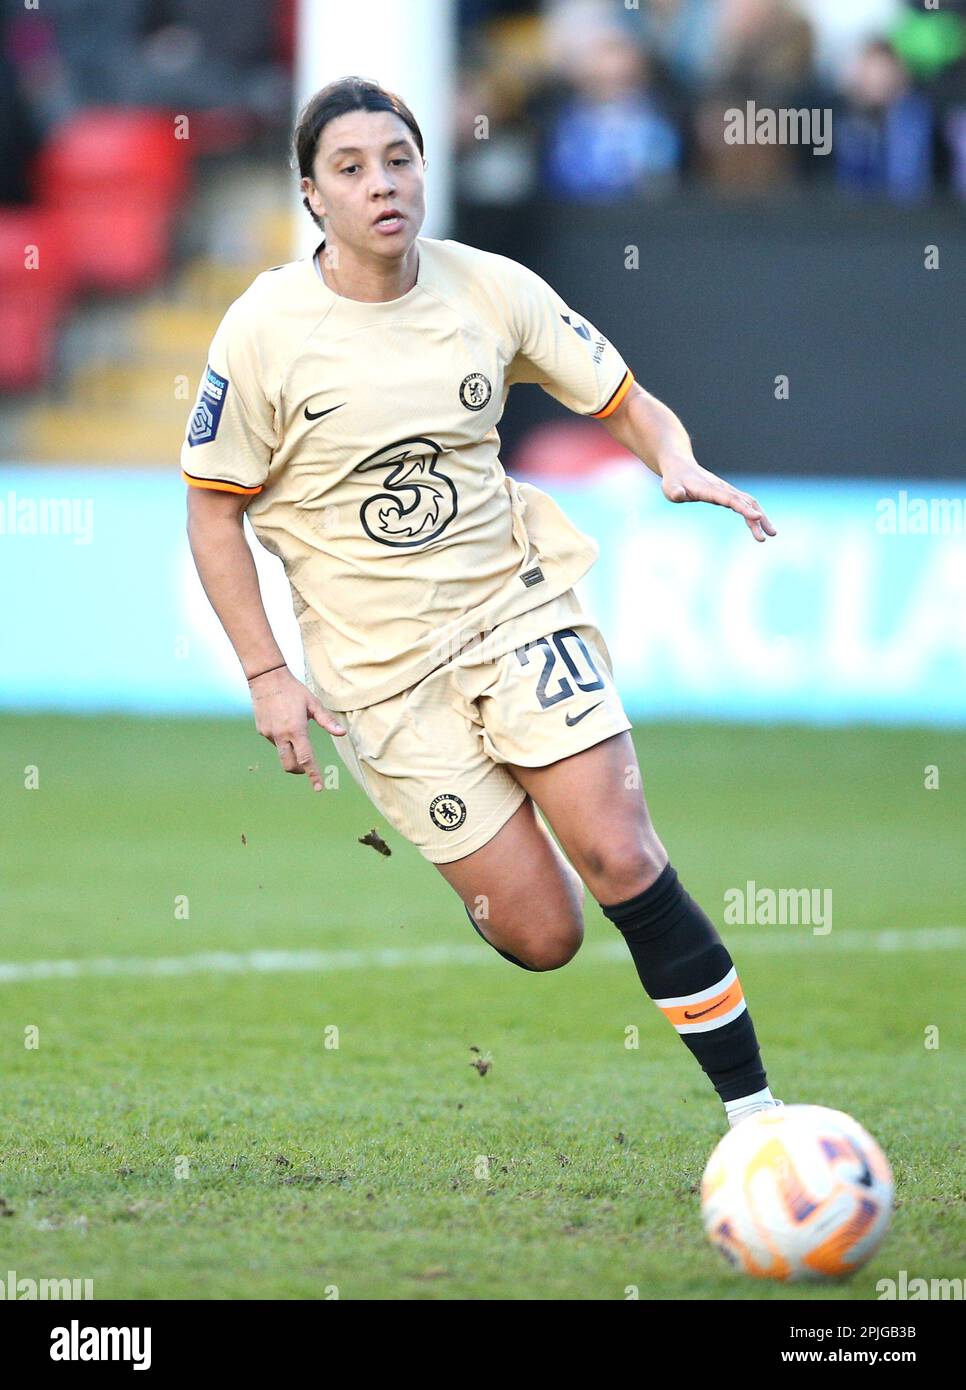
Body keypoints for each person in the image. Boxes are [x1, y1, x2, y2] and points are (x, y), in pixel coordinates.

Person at [183, 76, 781, 1131]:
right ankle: (495, 862)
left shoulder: (490, 288)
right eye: (352, 168)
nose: (383, 184)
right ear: (313, 196)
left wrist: (672, 461)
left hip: (515, 612)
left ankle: (761, 1121)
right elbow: (212, 514)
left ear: (427, 168)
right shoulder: (264, 329)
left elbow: (625, 400)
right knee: (544, 934)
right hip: (379, 676)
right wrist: (269, 674)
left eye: (400, 159)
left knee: (621, 851)